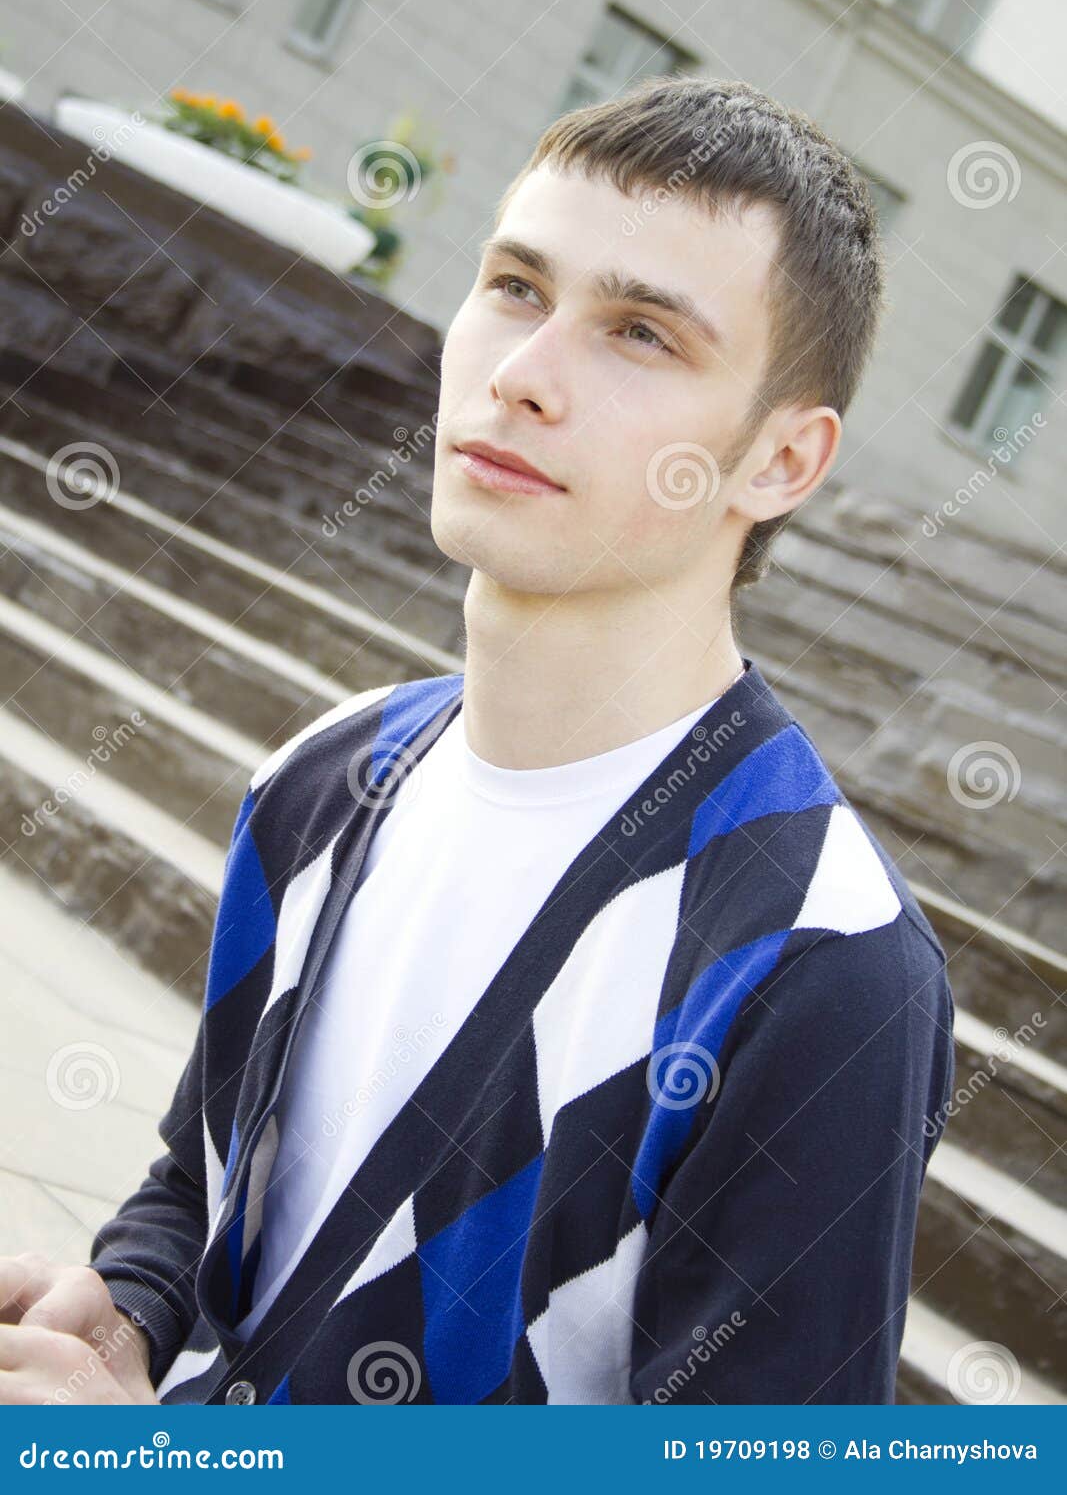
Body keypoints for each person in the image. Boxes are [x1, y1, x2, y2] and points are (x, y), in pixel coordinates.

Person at [0, 75, 955, 1405]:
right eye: (515, 287)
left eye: (640, 334)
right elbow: (201, 1186)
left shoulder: (822, 958)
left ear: (781, 461)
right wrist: (130, 1310)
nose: (522, 375)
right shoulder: (324, 775)